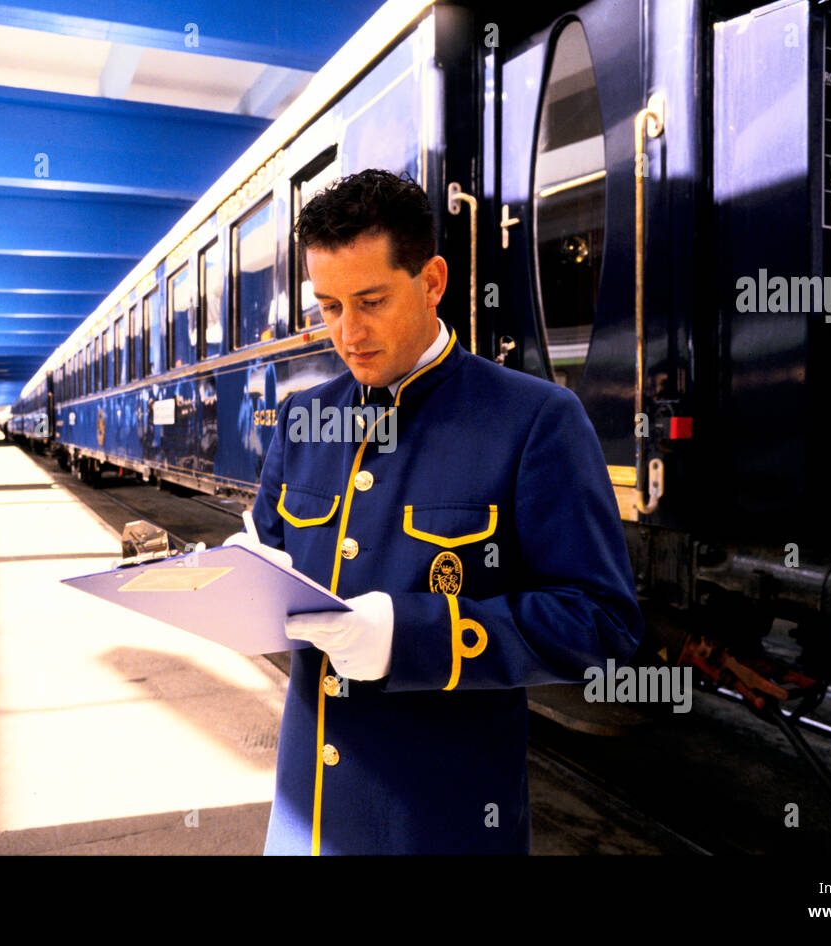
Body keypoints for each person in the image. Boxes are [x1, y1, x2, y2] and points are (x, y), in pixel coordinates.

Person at [224, 168, 642, 855]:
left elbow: (601, 621)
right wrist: (233, 584)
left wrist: (408, 636)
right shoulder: (303, 418)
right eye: (328, 307)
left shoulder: (533, 419)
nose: (348, 333)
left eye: (371, 301)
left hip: (438, 827)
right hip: (306, 823)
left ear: (433, 281)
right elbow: (268, 561)